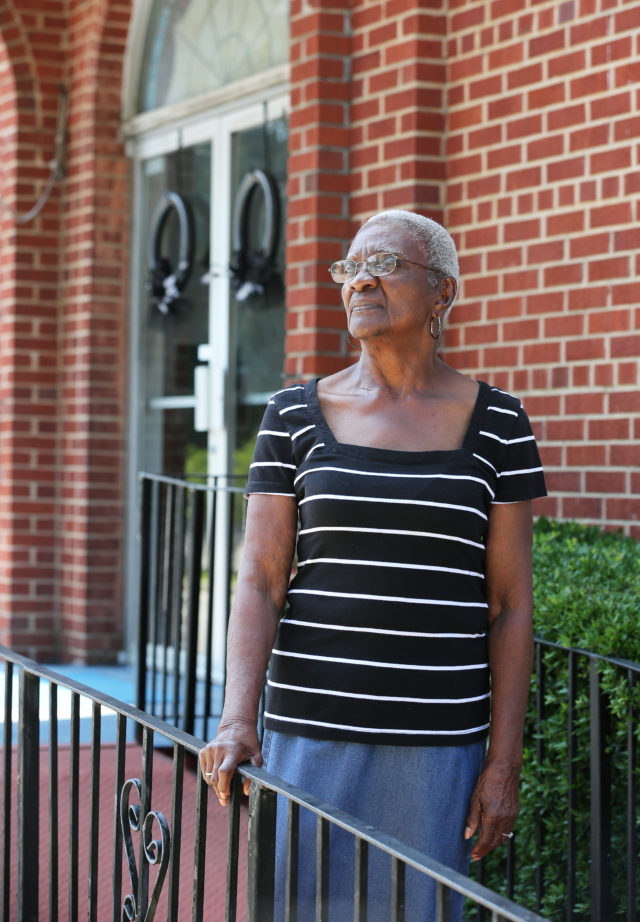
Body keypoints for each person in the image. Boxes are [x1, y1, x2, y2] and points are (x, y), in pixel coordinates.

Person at [199, 209, 547, 920]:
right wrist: (238, 716)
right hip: (310, 731)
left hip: (437, 743)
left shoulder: (501, 424)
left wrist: (502, 761)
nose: (360, 280)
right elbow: (260, 579)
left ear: (442, 293)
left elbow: (511, 605)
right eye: (349, 268)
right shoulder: (293, 415)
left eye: (385, 264)